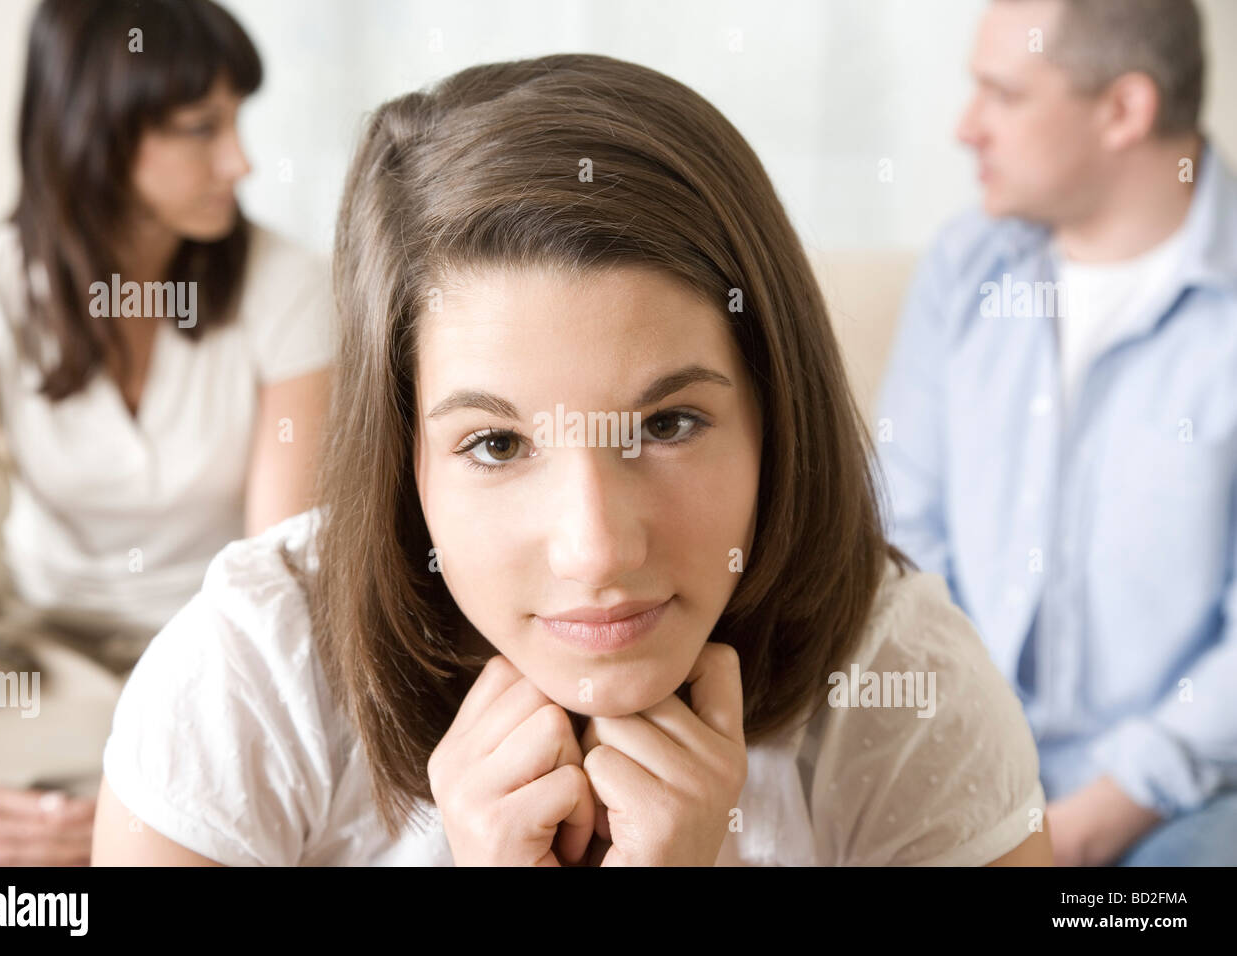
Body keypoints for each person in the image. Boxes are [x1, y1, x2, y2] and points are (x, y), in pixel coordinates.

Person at [92, 52, 1051, 867]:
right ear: (402, 460)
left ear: (775, 414)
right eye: (497, 444)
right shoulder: (251, 672)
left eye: (668, 425)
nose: (595, 552)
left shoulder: (906, 686)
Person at [0, 0, 332, 866]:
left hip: (219, 646)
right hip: (48, 654)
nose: (240, 160)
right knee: (6, 820)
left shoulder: (290, 289)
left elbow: (284, 568)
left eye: (237, 121)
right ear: (94, 134)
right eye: (201, 128)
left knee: (193, 809)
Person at [876, 0, 1237, 865]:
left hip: (1180, 796)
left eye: (1003, 95)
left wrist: (1089, 821)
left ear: (1124, 110)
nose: (967, 128)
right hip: (958, 760)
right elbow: (898, 538)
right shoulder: (965, 269)